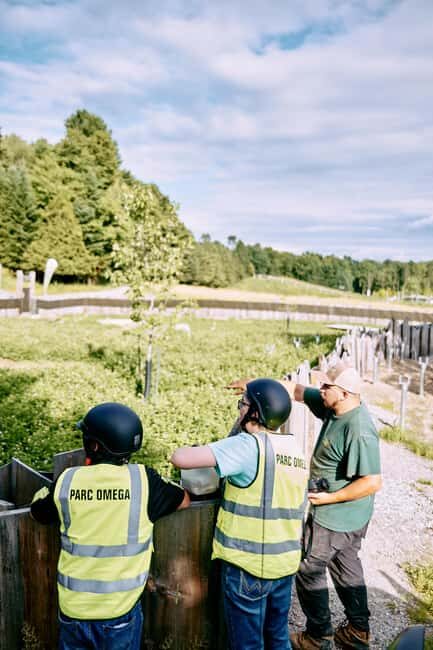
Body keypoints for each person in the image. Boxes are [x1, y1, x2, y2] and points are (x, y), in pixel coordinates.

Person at [230, 362, 382, 650]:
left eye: (327, 387)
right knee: (346, 565)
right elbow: (297, 390)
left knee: (308, 567)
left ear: (347, 393)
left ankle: (317, 636)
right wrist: (255, 384)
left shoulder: (359, 429)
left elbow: (372, 481)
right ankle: (358, 630)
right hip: (352, 515)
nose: (321, 390)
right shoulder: (334, 405)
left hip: (336, 514)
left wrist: (330, 499)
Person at [31, 402, 190, 650]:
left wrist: (42, 491)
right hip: (120, 612)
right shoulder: (143, 481)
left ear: (94, 446)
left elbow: (38, 512)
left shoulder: (67, 481)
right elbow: (184, 500)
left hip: (74, 611)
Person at [171, 378, 309, 650]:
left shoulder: (249, 446)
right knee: (278, 638)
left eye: (243, 404)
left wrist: (218, 445)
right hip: (283, 565)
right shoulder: (295, 450)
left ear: (255, 412)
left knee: (247, 645)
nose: (239, 409)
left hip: (249, 566)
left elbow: (181, 458)